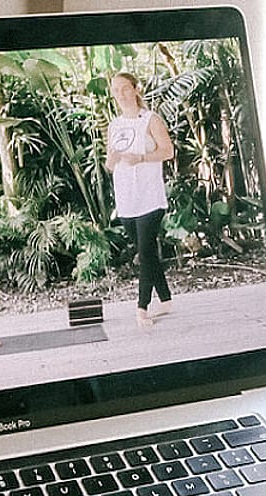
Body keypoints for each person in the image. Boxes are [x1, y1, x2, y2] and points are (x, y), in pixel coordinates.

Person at [105, 72, 175, 328]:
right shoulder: (114, 125)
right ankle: (165, 299)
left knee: (145, 253)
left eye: (125, 88)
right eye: (115, 90)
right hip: (126, 199)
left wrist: (142, 158)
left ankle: (142, 308)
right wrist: (112, 159)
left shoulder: (150, 119)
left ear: (135, 89)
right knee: (147, 254)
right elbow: (109, 165)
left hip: (149, 197)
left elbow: (168, 151)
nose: (120, 94)